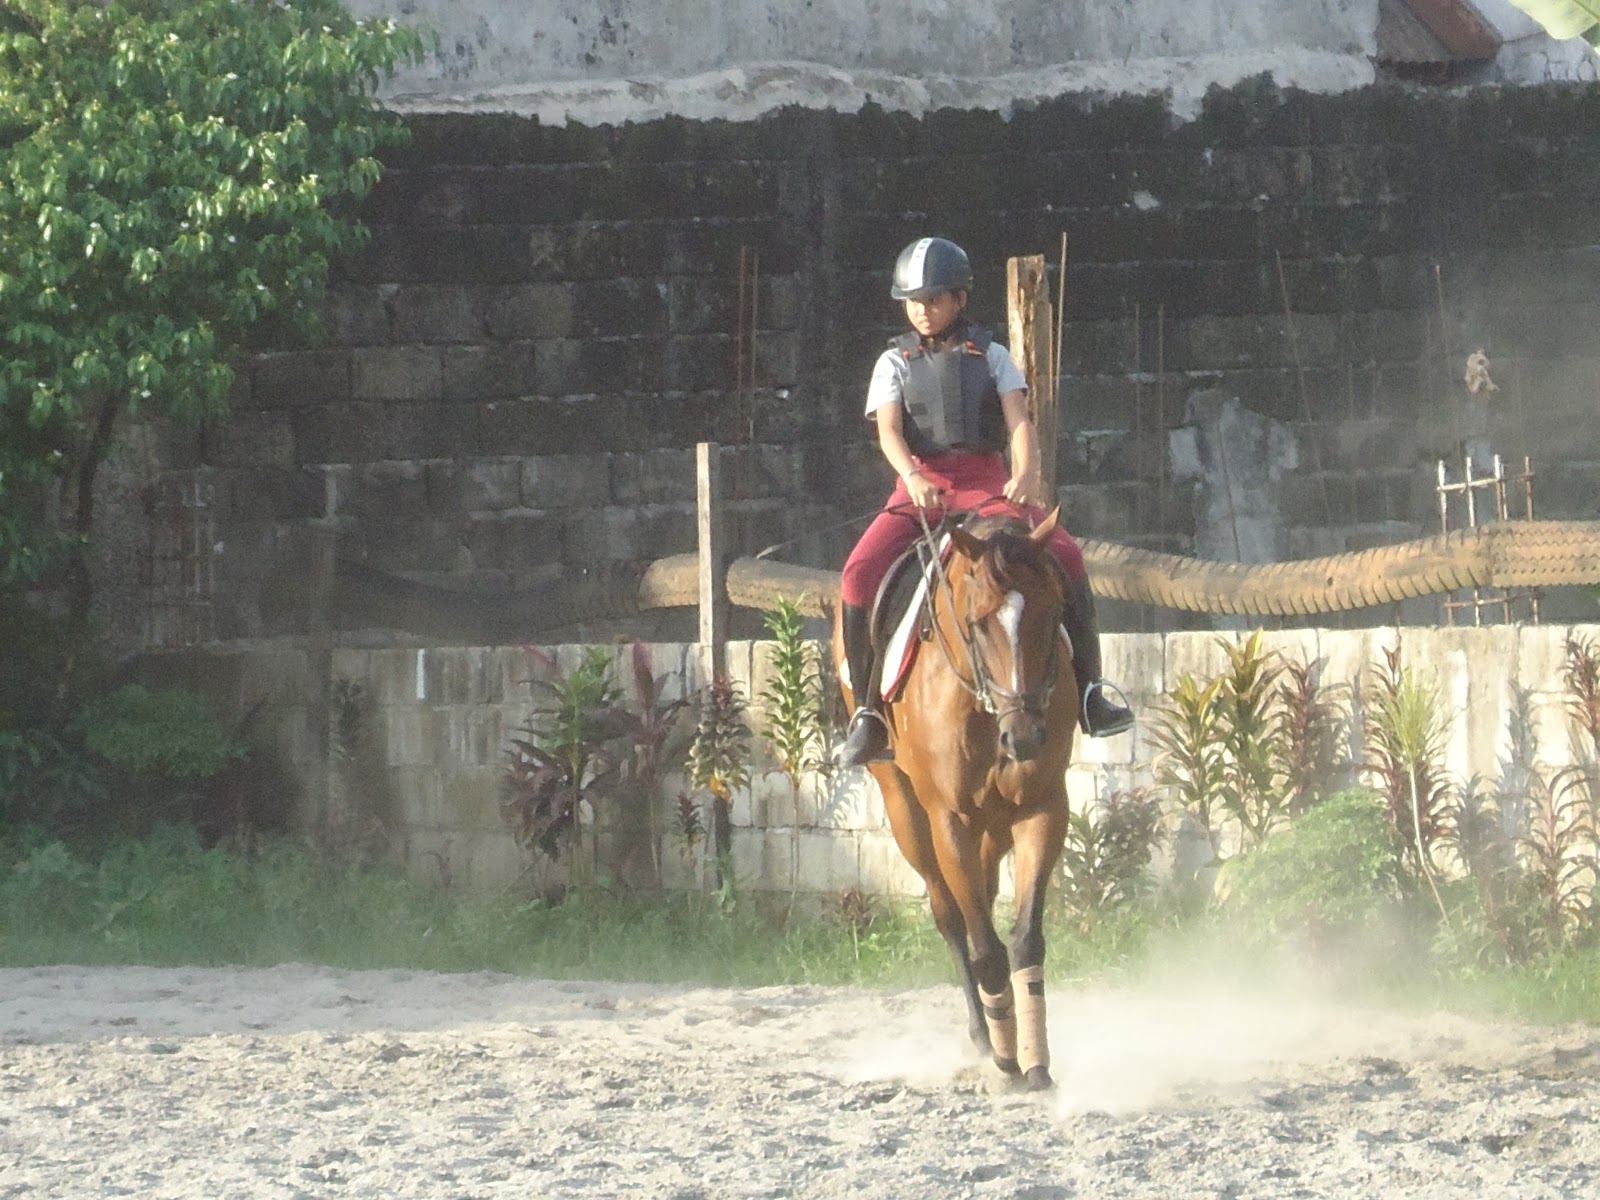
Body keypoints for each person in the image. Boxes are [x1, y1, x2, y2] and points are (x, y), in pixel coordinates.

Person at [837, 236, 1134, 767]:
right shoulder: (893, 362)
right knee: (858, 574)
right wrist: (912, 474)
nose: (922, 311)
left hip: (986, 486)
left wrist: (1025, 473)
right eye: (913, 301)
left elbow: (1019, 421)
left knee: (1066, 555)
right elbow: (888, 431)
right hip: (920, 488)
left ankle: (1091, 693)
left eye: (933, 299)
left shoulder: (993, 356)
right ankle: (866, 713)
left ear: (960, 299)